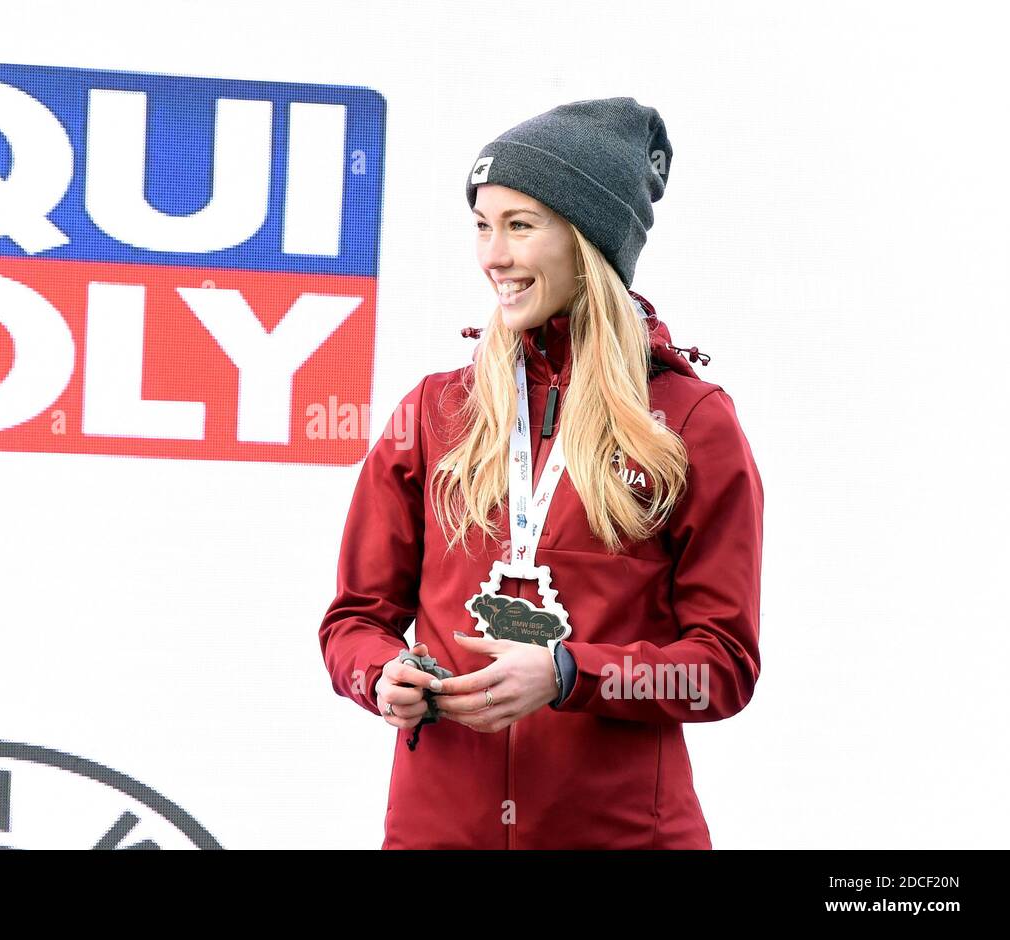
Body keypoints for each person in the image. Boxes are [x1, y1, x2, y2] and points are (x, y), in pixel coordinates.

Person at [318, 97, 764, 849]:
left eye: (520, 225)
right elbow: (352, 623)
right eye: (482, 225)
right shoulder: (433, 412)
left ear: (588, 241)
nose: (493, 255)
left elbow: (720, 668)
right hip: (435, 834)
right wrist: (383, 674)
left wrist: (569, 674)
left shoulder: (691, 423)